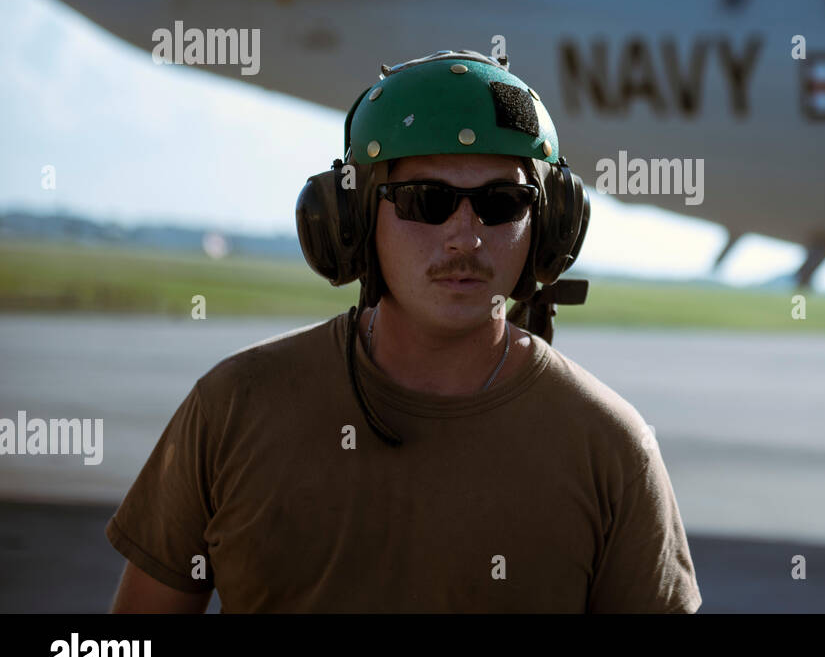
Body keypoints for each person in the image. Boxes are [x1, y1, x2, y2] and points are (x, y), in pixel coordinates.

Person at [106, 49, 702, 613]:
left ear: (549, 225)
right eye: (424, 200)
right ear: (353, 219)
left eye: (501, 203)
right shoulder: (233, 408)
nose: (465, 238)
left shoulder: (611, 449)